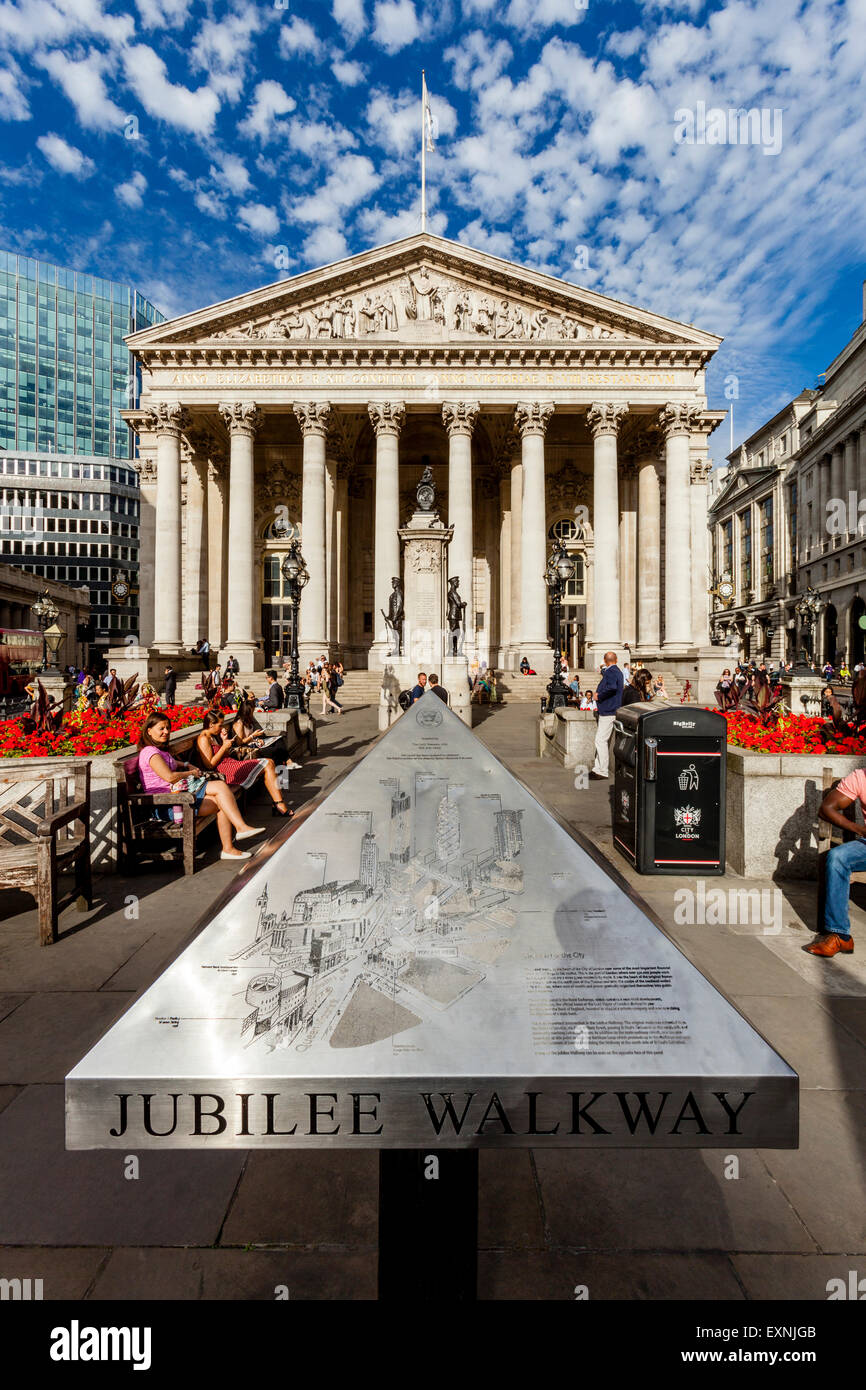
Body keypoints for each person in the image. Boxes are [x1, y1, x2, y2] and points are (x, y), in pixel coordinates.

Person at [137, 711, 263, 860]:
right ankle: (240, 829)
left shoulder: (159, 751)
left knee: (222, 801)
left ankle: (229, 848)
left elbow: (172, 762)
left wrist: (186, 764)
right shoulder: (150, 753)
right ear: (149, 731)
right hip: (166, 805)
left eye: (168, 728)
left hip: (179, 798)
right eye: (161, 728)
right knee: (220, 787)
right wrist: (190, 773)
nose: (166, 732)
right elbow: (169, 777)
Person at [805, 767, 866, 956]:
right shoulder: (860, 777)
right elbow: (826, 809)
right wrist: (859, 829)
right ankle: (840, 936)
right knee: (837, 857)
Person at [195, 710, 293, 818]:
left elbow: (223, 755)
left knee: (270, 762)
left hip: (231, 765)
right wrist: (223, 747)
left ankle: (278, 802)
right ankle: (279, 804)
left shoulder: (213, 736)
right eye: (220, 725)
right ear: (211, 724)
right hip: (226, 771)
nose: (221, 727)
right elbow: (209, 764)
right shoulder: (203, 738)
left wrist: (224, 741)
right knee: (268, 764)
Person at [590, 651, 624, 780]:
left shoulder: (611, 671)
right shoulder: (616, 671)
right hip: (612, 709)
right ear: (616, 659)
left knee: (600, 740)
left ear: (605, 660)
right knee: (602, 740)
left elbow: (612, 687)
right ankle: (597, 768)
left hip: (609, 710)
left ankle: (602, 770)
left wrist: (599, 696)